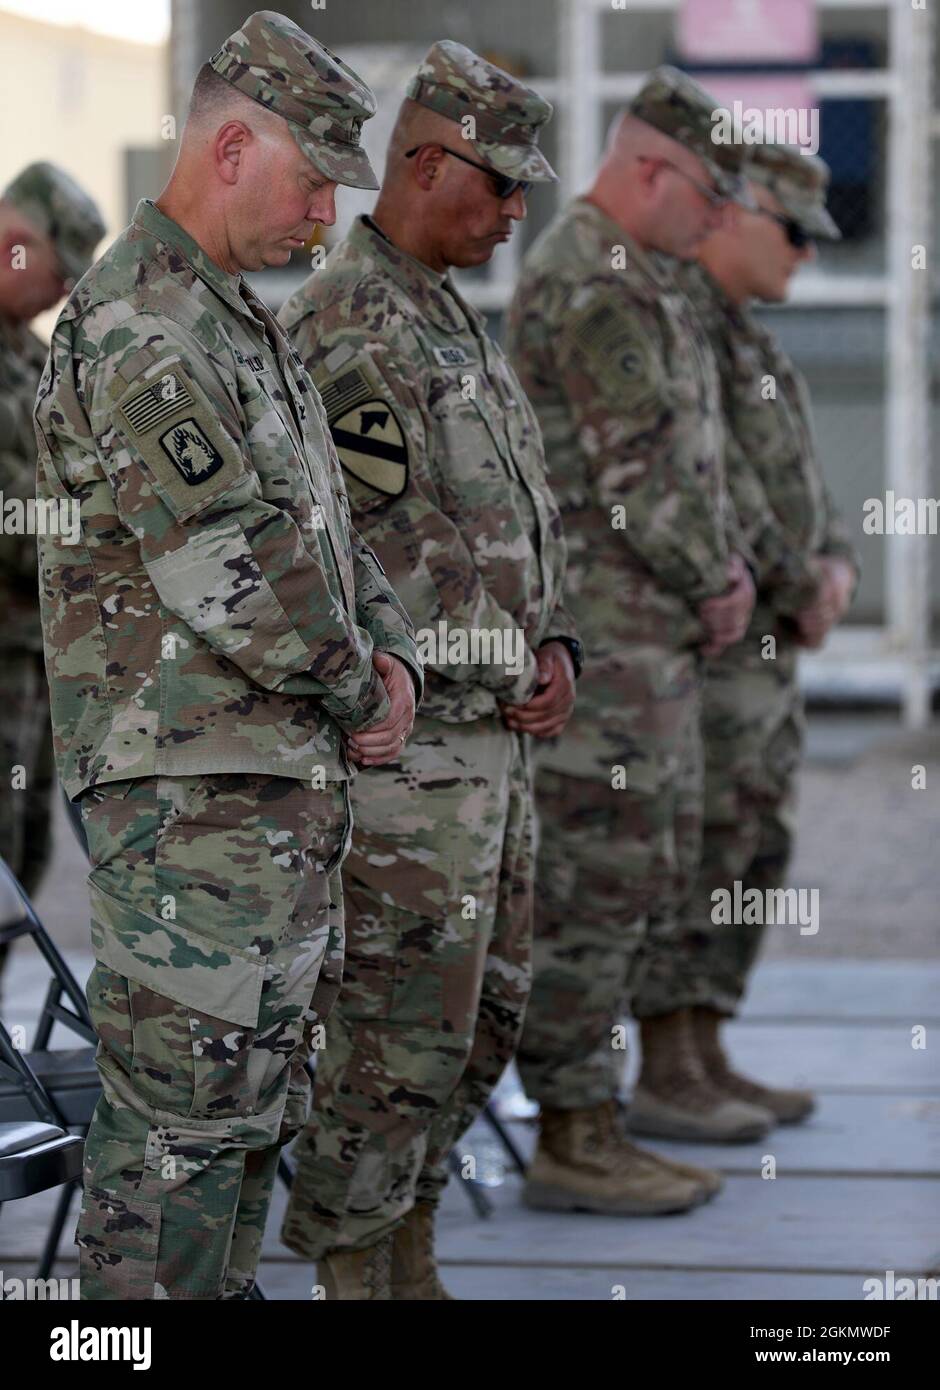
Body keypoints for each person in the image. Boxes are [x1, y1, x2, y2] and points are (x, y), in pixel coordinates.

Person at [33, 10, 421, 1301]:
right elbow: (227, 561)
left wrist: (400, 653)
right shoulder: (141, 323)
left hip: (263, 786)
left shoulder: (233, 319)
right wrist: (361, 681)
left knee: (248, 1108)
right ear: (234, 143)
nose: (324, 215)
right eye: (315, 179)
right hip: (186, 793)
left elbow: (326, 520)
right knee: (178, 1132)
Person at [279, 40, 580, 1299]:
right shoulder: (349, 318)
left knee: (482, 1021)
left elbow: (515, 512)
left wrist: (556, 643)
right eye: (499, 186)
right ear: (422, 163)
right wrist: (517, 659)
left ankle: (411, 1244)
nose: (516, 213)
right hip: (417, 762)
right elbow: (396, 541)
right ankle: (356, 1267)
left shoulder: (443, 309)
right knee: (397, 1033)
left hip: (491, 745)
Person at [505, 66, 767, 1216]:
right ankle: (572, 1129)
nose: (715, 220)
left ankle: (602, 1112)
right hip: (604, 640)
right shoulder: (591, 278)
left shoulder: (636, 272)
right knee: (597, 887)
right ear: (648, 167)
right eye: (706, 194)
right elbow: (639, 474)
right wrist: (717, 576)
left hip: (642, 636)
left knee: (643, 875)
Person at [632, 143, 858, 1121]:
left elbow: (793, 478)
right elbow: (704, 486)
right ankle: (667, 1069)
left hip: (763, 647)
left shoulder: (744, 338)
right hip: (711, 642)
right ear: (741, 214)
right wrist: (801, 575)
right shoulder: (677, 329)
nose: (803, 257)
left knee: (751, 845)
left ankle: (706, 1045)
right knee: (699, 849)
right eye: (795, 232)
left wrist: (832, 560)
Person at [0, 163, 103, 980]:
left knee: (20, 860)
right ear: (16, 244)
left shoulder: (32, 367)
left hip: (32, 668)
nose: (59, 294)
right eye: (58, 274)